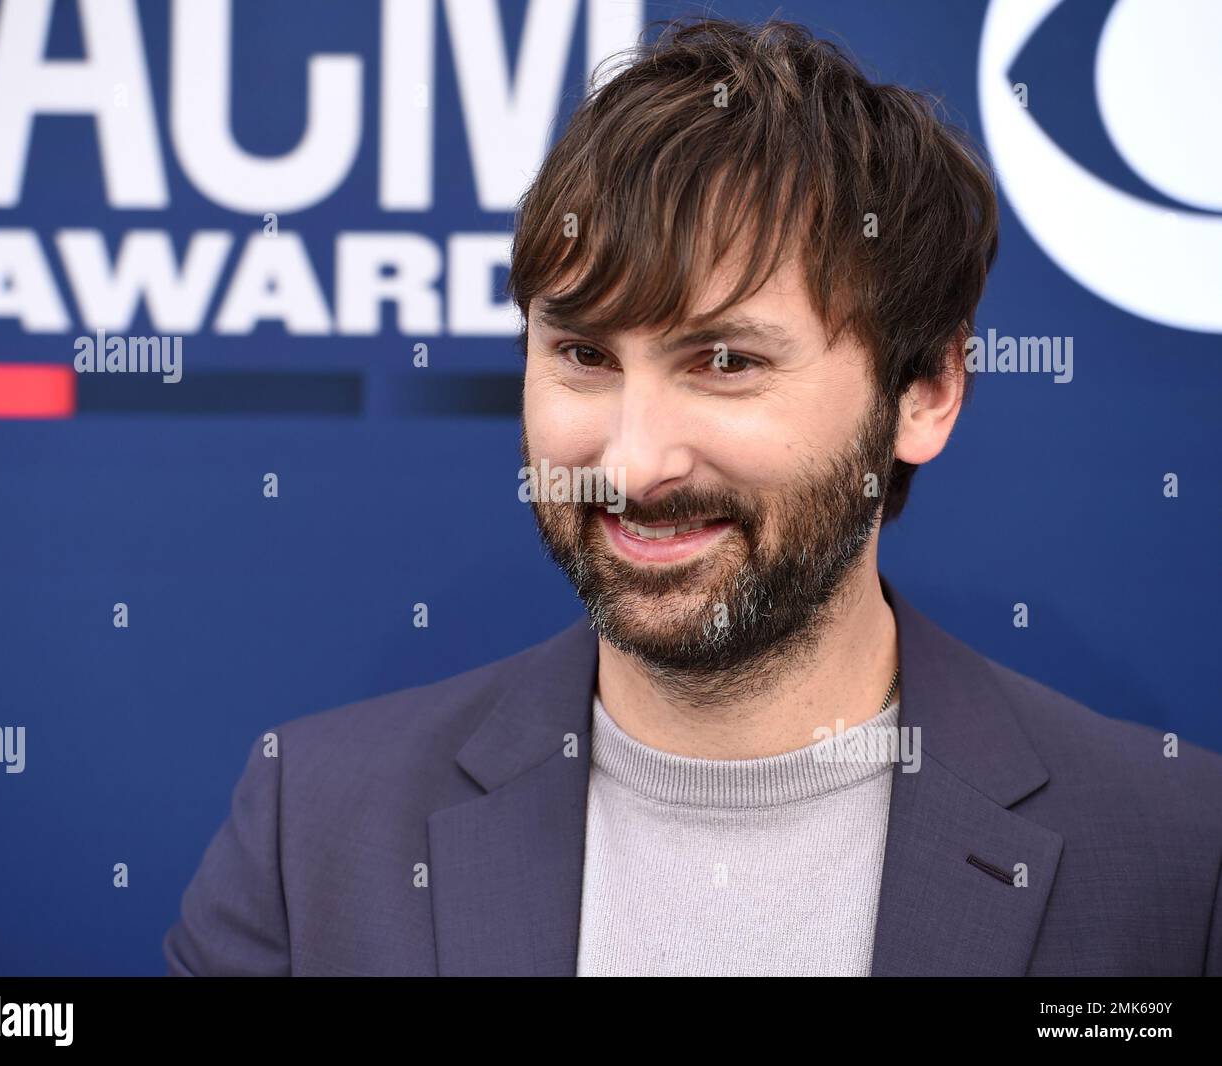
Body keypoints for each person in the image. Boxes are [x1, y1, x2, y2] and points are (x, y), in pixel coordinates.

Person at [163, 17, 1222, 977]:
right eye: (582, 354)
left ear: (926, 391)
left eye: (723, 362)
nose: (631, 465)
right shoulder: (313, 835)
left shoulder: (1180, 855)